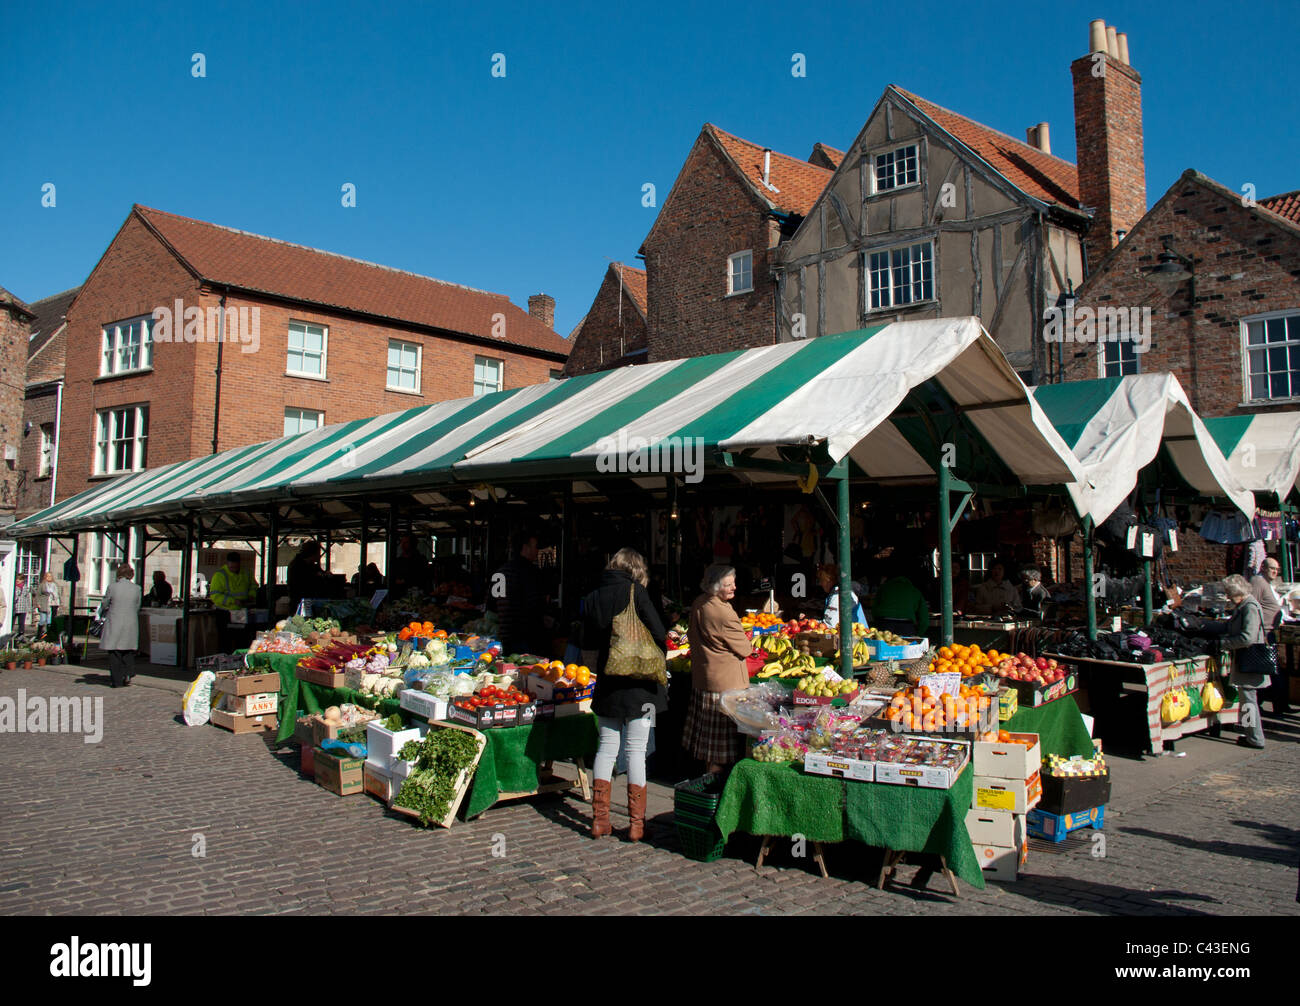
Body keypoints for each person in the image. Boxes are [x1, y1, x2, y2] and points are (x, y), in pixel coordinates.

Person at [581, 548, 668, 841]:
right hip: (640, 684)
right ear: (635, 569)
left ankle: (599, 820)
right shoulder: (636, 592)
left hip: (609, 683)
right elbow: (659, 633)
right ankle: (636, 825)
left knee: (606, 748)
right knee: (635, 752)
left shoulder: (593, 596)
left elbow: (588, 640)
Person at [683, 564, 752, 774]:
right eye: (729, 585)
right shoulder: (723, 613)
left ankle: (709, 781)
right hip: (725, 685)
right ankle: (715, 789)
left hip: (705, 679)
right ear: (715, 586)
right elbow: (745, 649)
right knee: (719, 750)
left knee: (709, 747)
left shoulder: (699, 603)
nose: (734, 588)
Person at [1199, 574, 1270, 749]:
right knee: (1247, 701)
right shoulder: (1243, 606)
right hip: (1245, 661)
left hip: (1250, 661)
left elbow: (1247, 638)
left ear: (1237, 591)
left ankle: (1255, 738)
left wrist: (1223, 644)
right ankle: (1250, 735)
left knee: (1249, 701)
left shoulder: (1250, 607)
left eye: (1229, 593)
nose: (1228, 597)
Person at [1250, 558, 1291, 716]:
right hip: (1263, 634)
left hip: (1269, 633)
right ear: (1263, 568)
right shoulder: (1258, 582)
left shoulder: (1267, 584)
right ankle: (1263, 705)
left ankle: (1279, 705)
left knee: (1273, 670)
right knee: (1267, 670)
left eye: (1277, 569)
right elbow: (1253, 607)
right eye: (1271, 568)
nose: (1275, 571)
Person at [491, 534, 544, 656]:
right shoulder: (532, 572)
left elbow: (492, 605)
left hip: (504, 636)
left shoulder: (500, 572)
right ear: (525, 548)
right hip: (525, 636)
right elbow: (535, 606)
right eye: (535, 547)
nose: (537, 551)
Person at [99, 563, 142, 688]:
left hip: (115, 621)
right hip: (130, 622)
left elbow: (105, 603)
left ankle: (117, 681)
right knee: (128, 650)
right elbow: (137, 606)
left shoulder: (112, 587)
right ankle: (129, 671)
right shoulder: (136, 588)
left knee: (114, 652)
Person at [872, 562, 929, 636]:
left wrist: (878, 624)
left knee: (883, 646)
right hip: (906, 627)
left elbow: (874, 609)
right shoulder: (914, 591)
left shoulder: (884, 588)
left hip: (885, 625)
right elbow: (924, 621)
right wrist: (918, 634)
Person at [816, 562, 867, 629]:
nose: (820, 584)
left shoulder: (838, 595)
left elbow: (830, 623)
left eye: (822, 580)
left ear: (829, 580)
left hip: (855, 636)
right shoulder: (839, 592)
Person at [288, 541, 331, 611]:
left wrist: (325, 574)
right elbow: (302, 584)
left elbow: (321, 573)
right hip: (300, 603)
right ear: (312, 553)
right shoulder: (297, 566)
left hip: (312, 602)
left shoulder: (312, 565)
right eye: (317, 553)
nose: (319, 556)